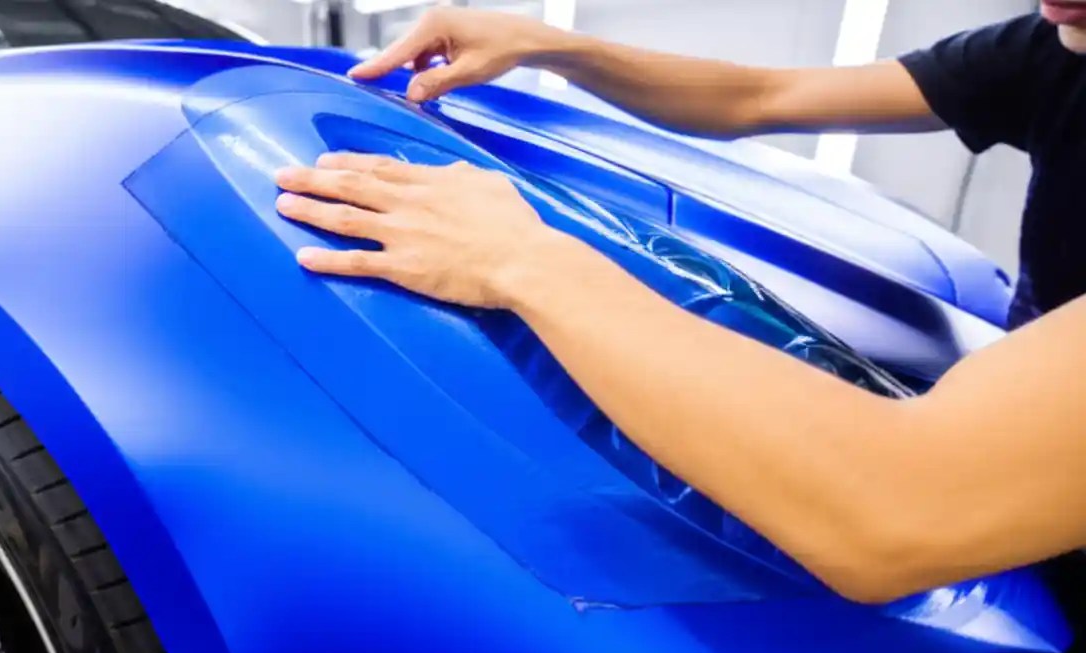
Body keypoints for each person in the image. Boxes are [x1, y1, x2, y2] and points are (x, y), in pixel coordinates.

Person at [273, 6, 1086, 606]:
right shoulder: (1056, 44)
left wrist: (524, 259)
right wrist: (557, 48)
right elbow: (762, 96)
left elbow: (898, 510)